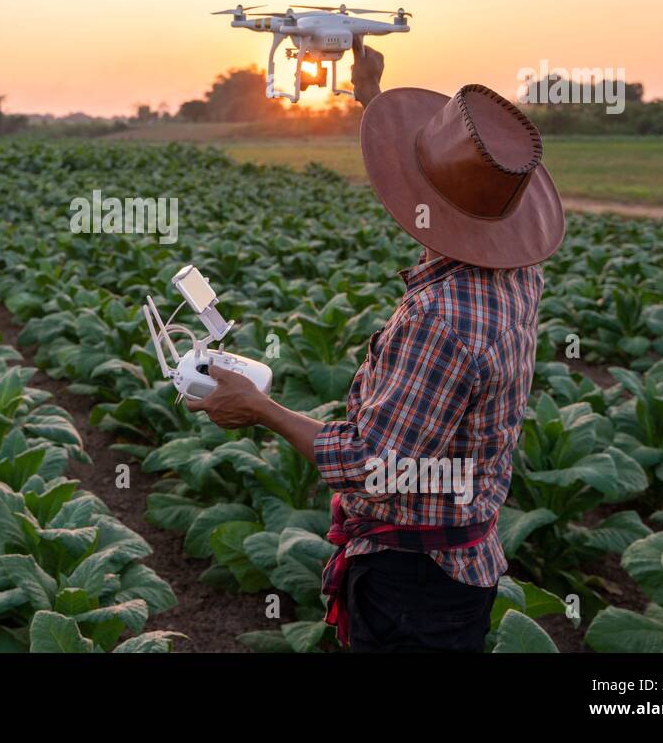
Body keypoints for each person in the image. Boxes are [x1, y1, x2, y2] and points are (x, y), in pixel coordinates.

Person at [186, 52, 566, 652]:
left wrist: (261, 409)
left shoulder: (442, 319)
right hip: (464, 561)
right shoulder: (520, 271)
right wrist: (372, 98)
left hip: (412, 587)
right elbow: (453, 199)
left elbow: (372, 465)